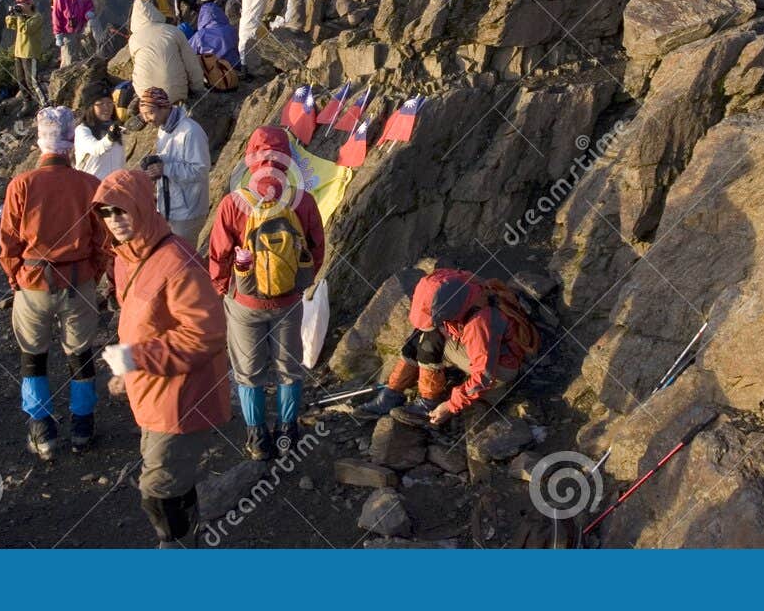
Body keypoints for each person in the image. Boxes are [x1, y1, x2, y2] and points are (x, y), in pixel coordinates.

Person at [94, 168, 229, 547]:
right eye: (105, 213)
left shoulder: (177, 260)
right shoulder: (126, 257)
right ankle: (191, 539)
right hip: (151, 387)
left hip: (182, 395)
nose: (113, 221)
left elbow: (206, 333)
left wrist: (135, 358)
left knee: (157, 486)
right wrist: (129, 369)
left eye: (121, 210)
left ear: (142, 206)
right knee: (171, 478)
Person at [206, 126, 325, 459]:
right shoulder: (302, 201)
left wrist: (223, 289)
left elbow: (218, 255)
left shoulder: (235, 202)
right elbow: (316, 249)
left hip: (245, 301)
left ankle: (257, 439)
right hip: (287, 300)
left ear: (251, 156)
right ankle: (288, 433)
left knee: (248, 371)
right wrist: (300, 283)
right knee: (289, 368)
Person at [0, 107, 111, 459]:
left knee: (33, 356)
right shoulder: (89, 185)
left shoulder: (21, 185)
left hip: (33, 283)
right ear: (69, 144)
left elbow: (8, 243)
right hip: (79, 282)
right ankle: (83, 425)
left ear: (40, 142)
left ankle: (41, 428)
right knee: (80, 354)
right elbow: (103, 240)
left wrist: (15, 278)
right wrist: (94, 272)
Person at [356, 269, 537, 427]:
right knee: (421, 334)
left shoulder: (479, 323)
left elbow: (484, 376)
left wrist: (450, 406)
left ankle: (429, 403)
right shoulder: (456, 287)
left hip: (501, 369)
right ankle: (392, 393)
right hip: (476, 346)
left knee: (430, 341)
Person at [138, 86, 211, 244]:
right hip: (171, 205)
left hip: (189, 209)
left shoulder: (191, 131)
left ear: (164, 107)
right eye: (143, 115)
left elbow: (201, 170)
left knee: (184, 257)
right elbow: (170, 157)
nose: (147, 119)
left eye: (150, 113)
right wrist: (155, 162)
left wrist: (165, 168)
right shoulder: (163, 129)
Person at [128, 0, 205, 103]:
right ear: (154, 13)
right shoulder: (172, 31)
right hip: (176, 94)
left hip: (148, 100)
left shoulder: (133, 40)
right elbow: (191, 63)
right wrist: (198, 88)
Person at [73, 79, 126, 179]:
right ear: (90, 107)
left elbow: (121, 163)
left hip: (115, 189)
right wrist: (110, 139)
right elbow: (95, 149)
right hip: (92, 189)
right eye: (100, 104)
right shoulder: (82, 130)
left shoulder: (116, 129)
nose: (106, 107)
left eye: (109, 103)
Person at [5, 0, 49, 107]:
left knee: (32, 82)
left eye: (21, 4)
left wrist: (20, 17)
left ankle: (44, 104)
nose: (19, 6)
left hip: (30, 53)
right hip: (19, 53)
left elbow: (26, 30)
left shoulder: (37, 17)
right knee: (21, 81)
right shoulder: (22, 17)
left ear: (29, 3)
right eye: (18, 4)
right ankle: (27, 102)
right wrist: (11, 14)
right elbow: (10, 25)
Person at [51, 0, 94, 68]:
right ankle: (66, 76)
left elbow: (90, 5)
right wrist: (58, 34)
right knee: (68, 56)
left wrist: (89, 12)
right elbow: (56, 17)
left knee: (83, 53)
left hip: (81, 29)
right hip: (67, 33)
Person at [189, 0, 240, 67]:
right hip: (235, 66)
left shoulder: (199, 36)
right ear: (220, 13)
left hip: (213, 72)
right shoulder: (231, 30)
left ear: (202, 17)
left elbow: (187, 53)